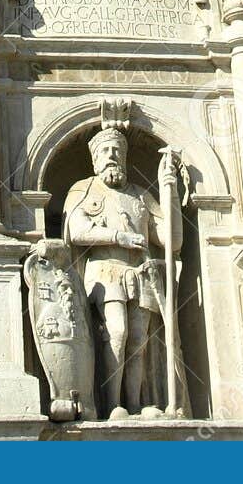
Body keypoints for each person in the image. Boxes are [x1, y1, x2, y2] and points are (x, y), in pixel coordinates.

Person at [63, 126, 183, 418]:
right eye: (105, 151)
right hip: (104, 273)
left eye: (117, 150)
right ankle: (111, 404)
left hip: (141, 275)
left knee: (139, 342)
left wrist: (170, 193)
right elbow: (76, 231)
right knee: (117, 332)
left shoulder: (141, 197)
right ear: (95, 159)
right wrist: (120, 237)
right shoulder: (83, 190)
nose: (112, 155)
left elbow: (172, 240)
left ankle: (134, 405)